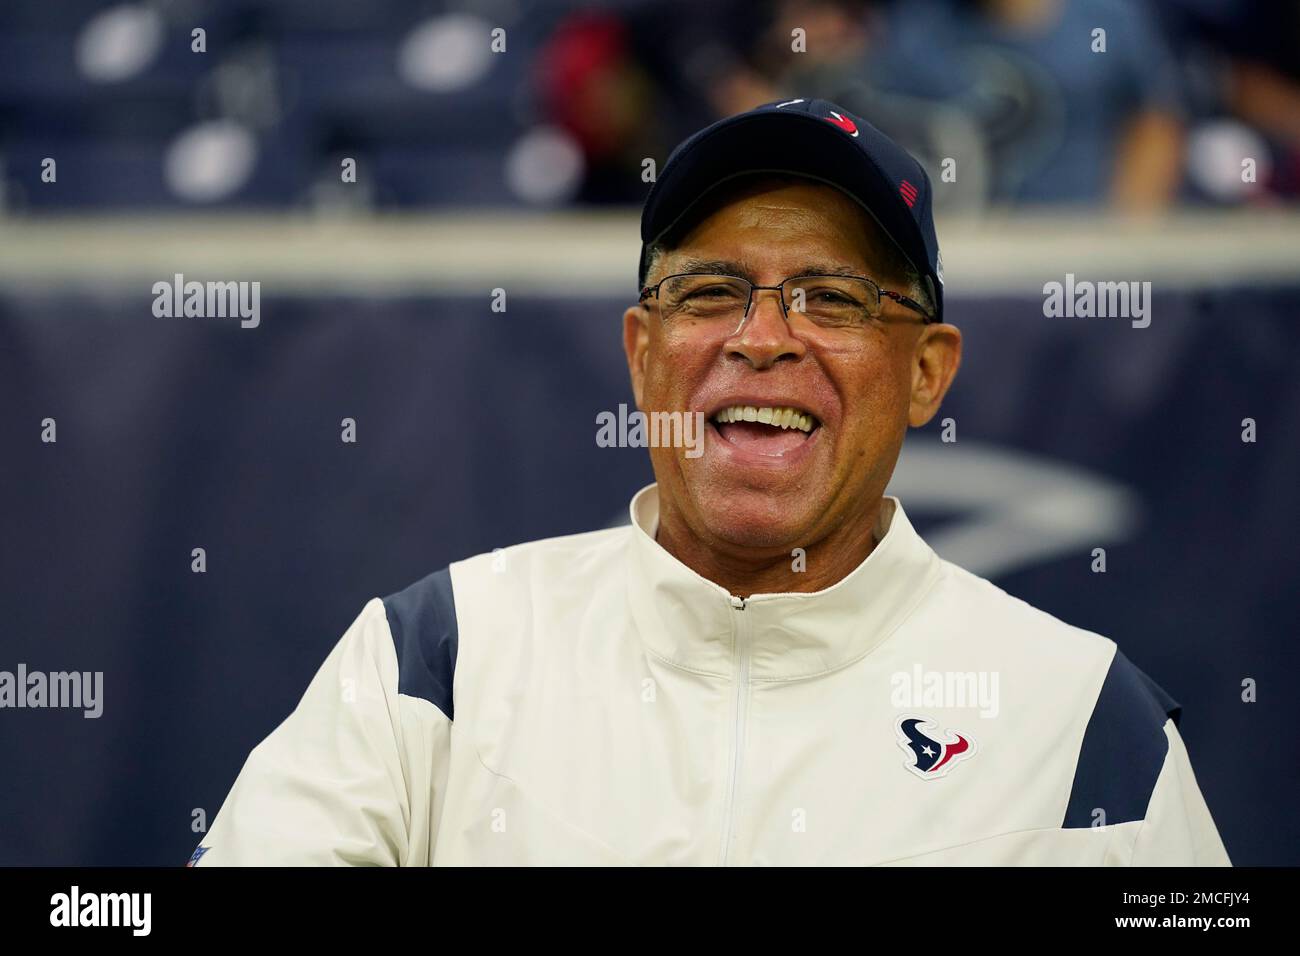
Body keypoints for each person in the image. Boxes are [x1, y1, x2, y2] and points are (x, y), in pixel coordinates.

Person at [190, 98, 1229, 866]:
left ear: (925, 371)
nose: (762, 337)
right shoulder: (439, 657)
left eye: (832, 297)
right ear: (642, 355)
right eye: (710, 290)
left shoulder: (1084, 720)